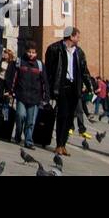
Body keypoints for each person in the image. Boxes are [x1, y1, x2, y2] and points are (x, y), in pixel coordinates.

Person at [43, 26, 90, 157]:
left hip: (74, 88)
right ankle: (58, 144)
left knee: (70, 118)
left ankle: (63, 144)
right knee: (62, 115)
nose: (79, 39)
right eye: (77, 36)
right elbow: (49, 71)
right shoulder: (54, 49)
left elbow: (84, 71)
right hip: (61, 86)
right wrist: (49, 89)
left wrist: (91, 86)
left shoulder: (79, 52)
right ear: (71, 36)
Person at [4, 44, 47, 149]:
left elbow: (44, 82)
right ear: (26, 51)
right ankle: (18, 135)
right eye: (29, 52)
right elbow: (11, 76)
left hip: (35, 97)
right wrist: (10, 90)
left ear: (36, 53)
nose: (31, 54)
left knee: (30, 121)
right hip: (21, 95)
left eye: (33, 52)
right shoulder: (19, 62)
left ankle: (28, 141)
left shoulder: (40, 65)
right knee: (20, 115)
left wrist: (46, 96)